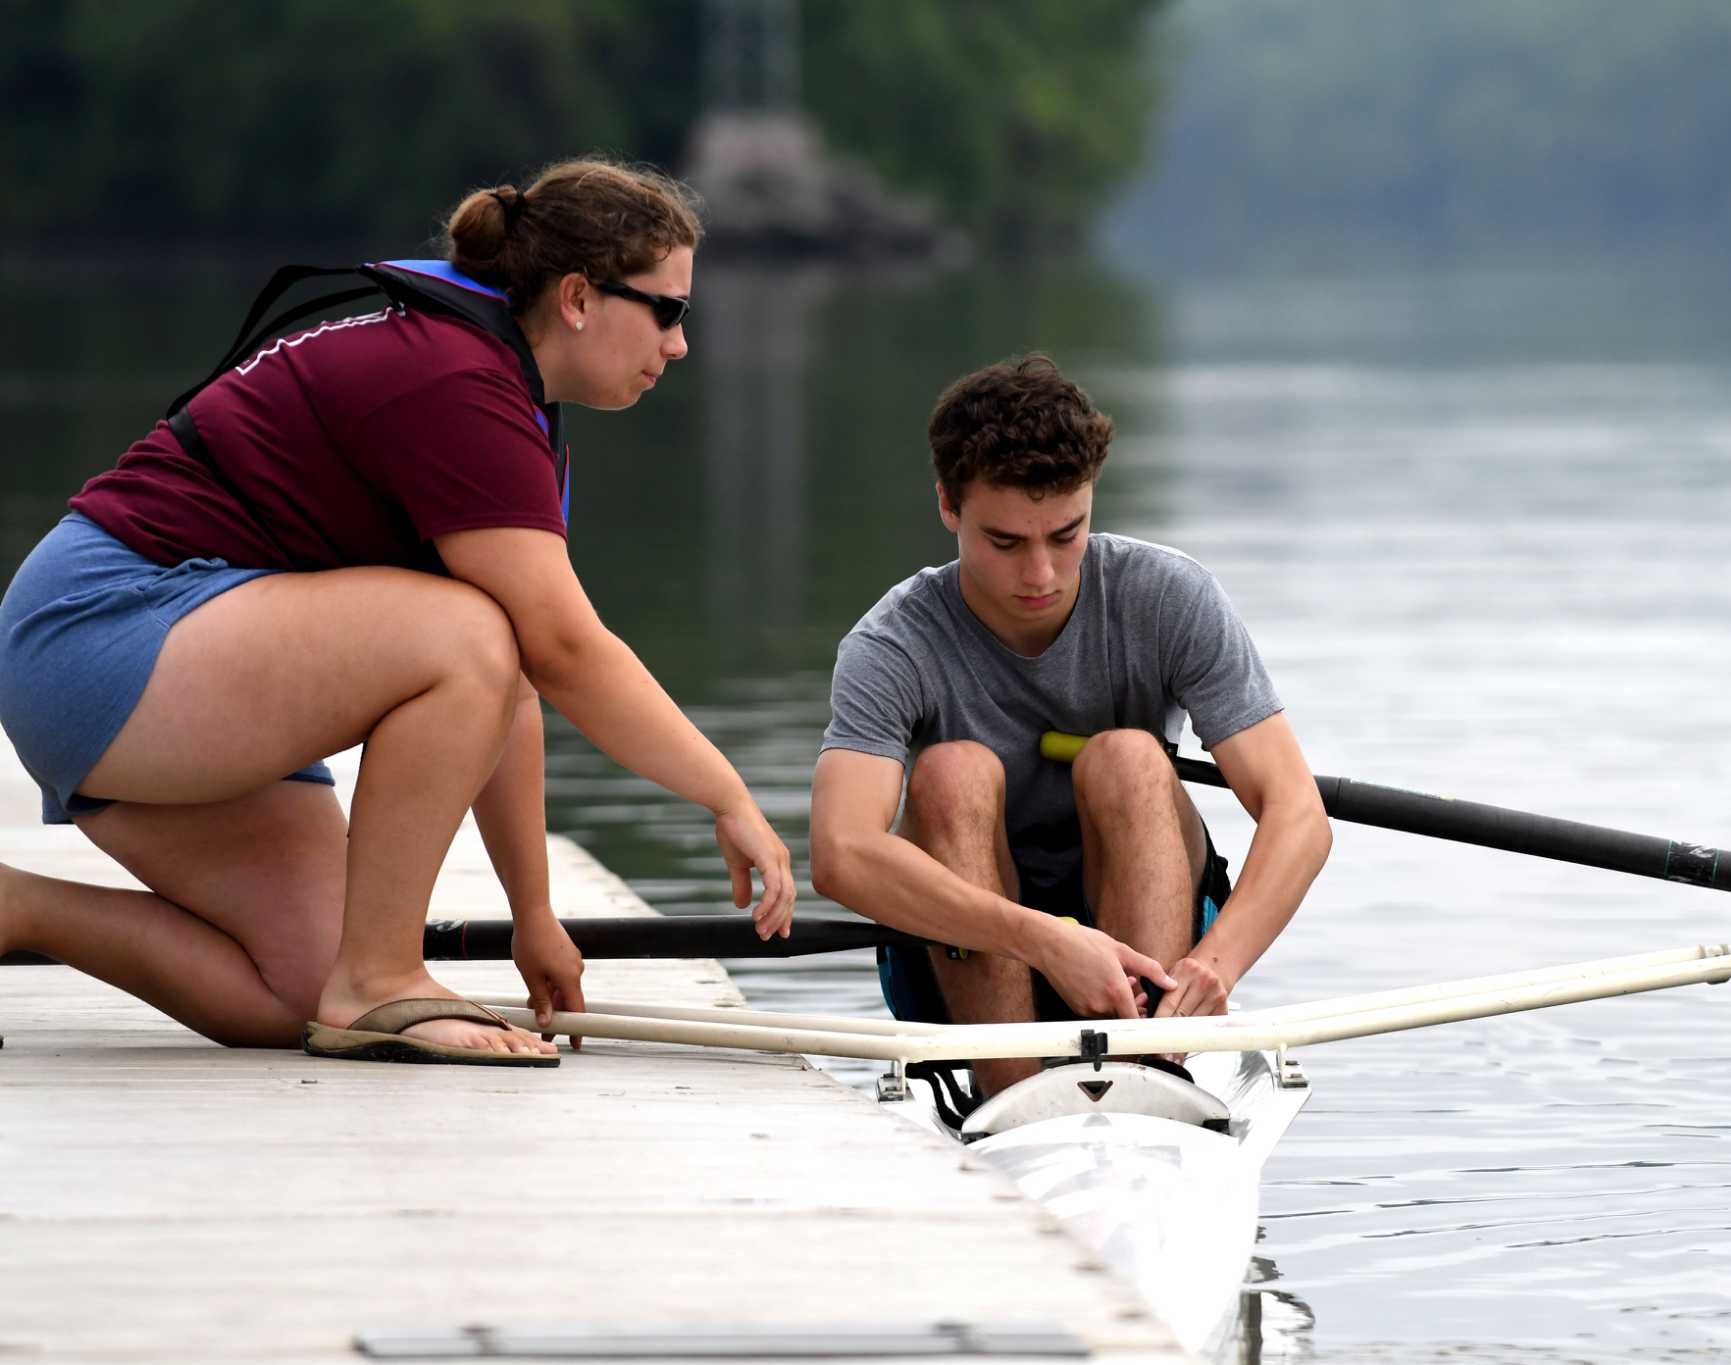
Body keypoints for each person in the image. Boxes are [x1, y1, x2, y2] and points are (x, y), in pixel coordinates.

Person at [0, 155, 795, 1067]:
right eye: (669, 310)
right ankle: (380, 977)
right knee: (467, 637)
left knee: (294, 988)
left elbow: (521, 681)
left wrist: (532, 917)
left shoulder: (507, 393)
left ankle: (19, 907)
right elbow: (564, 650)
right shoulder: (458, 380)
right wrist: (728, 795)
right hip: (97, 631)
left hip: (173, 660)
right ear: (579, 296)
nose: (680, 344)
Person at [809, 354, 1331, 1097]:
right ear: (948, 507)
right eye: (1006, 542)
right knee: (953, 771)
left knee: (1129, 757)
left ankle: (1146, 1073)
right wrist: (1042, 937)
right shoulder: (893, 643)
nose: (1042, 576)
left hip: (1153, 944)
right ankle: (1011, 1100)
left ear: (1091, 499)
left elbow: (1299, 815)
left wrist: (1218, 962)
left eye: (1066, 532)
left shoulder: (1169, 599)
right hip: (962, 964)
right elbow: (840, 853)